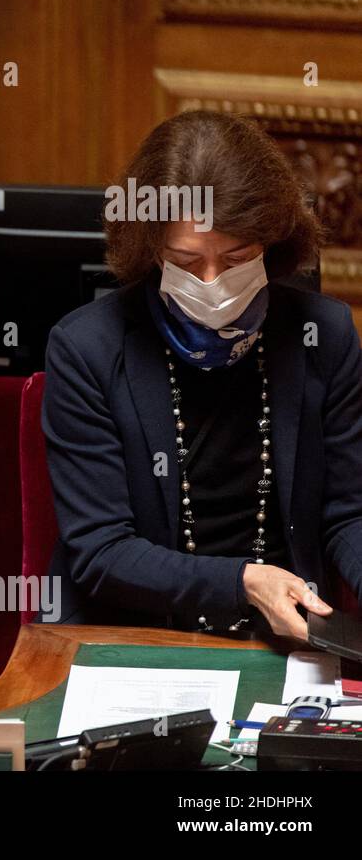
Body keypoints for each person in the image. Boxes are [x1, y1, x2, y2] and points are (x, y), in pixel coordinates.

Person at [42, 109, 362, 639]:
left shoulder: (322, 335)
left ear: (270, 243)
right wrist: (243, 582)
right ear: (152, 251)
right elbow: (101, 550)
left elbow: (349, 513)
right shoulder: (87, 349)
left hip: (284, 636)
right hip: (134, 635)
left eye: (236, 258)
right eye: (187, 263)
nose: (213, 283)